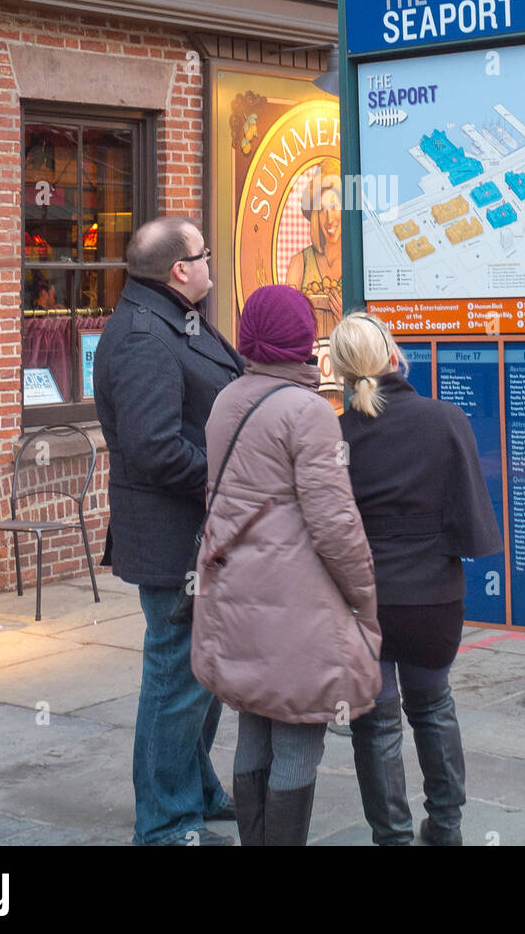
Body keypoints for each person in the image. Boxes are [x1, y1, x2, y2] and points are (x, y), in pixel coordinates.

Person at [191, 285, 381, 847]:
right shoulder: (308, 412)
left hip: (238, 593)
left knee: (254, 716)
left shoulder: (227, 400)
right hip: (297, 599)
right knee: (299, 730)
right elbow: (334, 525)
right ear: (301, 340)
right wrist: (364, 596)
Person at [93, 216, 243, 847]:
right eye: (205, 255)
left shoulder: (172, 316)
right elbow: (155, 449)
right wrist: (233, 476)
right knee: (176, 675)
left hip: (200, 532)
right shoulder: (143, 337)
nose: (212, 264)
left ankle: (196, 787)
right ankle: (164, 819)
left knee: (200, 675)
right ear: (180, 270)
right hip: (173, 537)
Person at [330, 312, 503, 847]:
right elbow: (473, 525)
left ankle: (394, 838)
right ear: (393, 356)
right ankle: (447, 827)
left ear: (337, 370)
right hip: (433, 599)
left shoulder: (334, 435)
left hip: (365, 604)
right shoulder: (444, 420)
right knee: (433, 707)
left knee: (376, 724)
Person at [285, 165, 343, 338]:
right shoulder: (299, 263)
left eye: (334, 207)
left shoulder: (358, 262)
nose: (329, 219)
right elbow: (286, 327)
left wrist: (346, 323)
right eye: (321, 210)